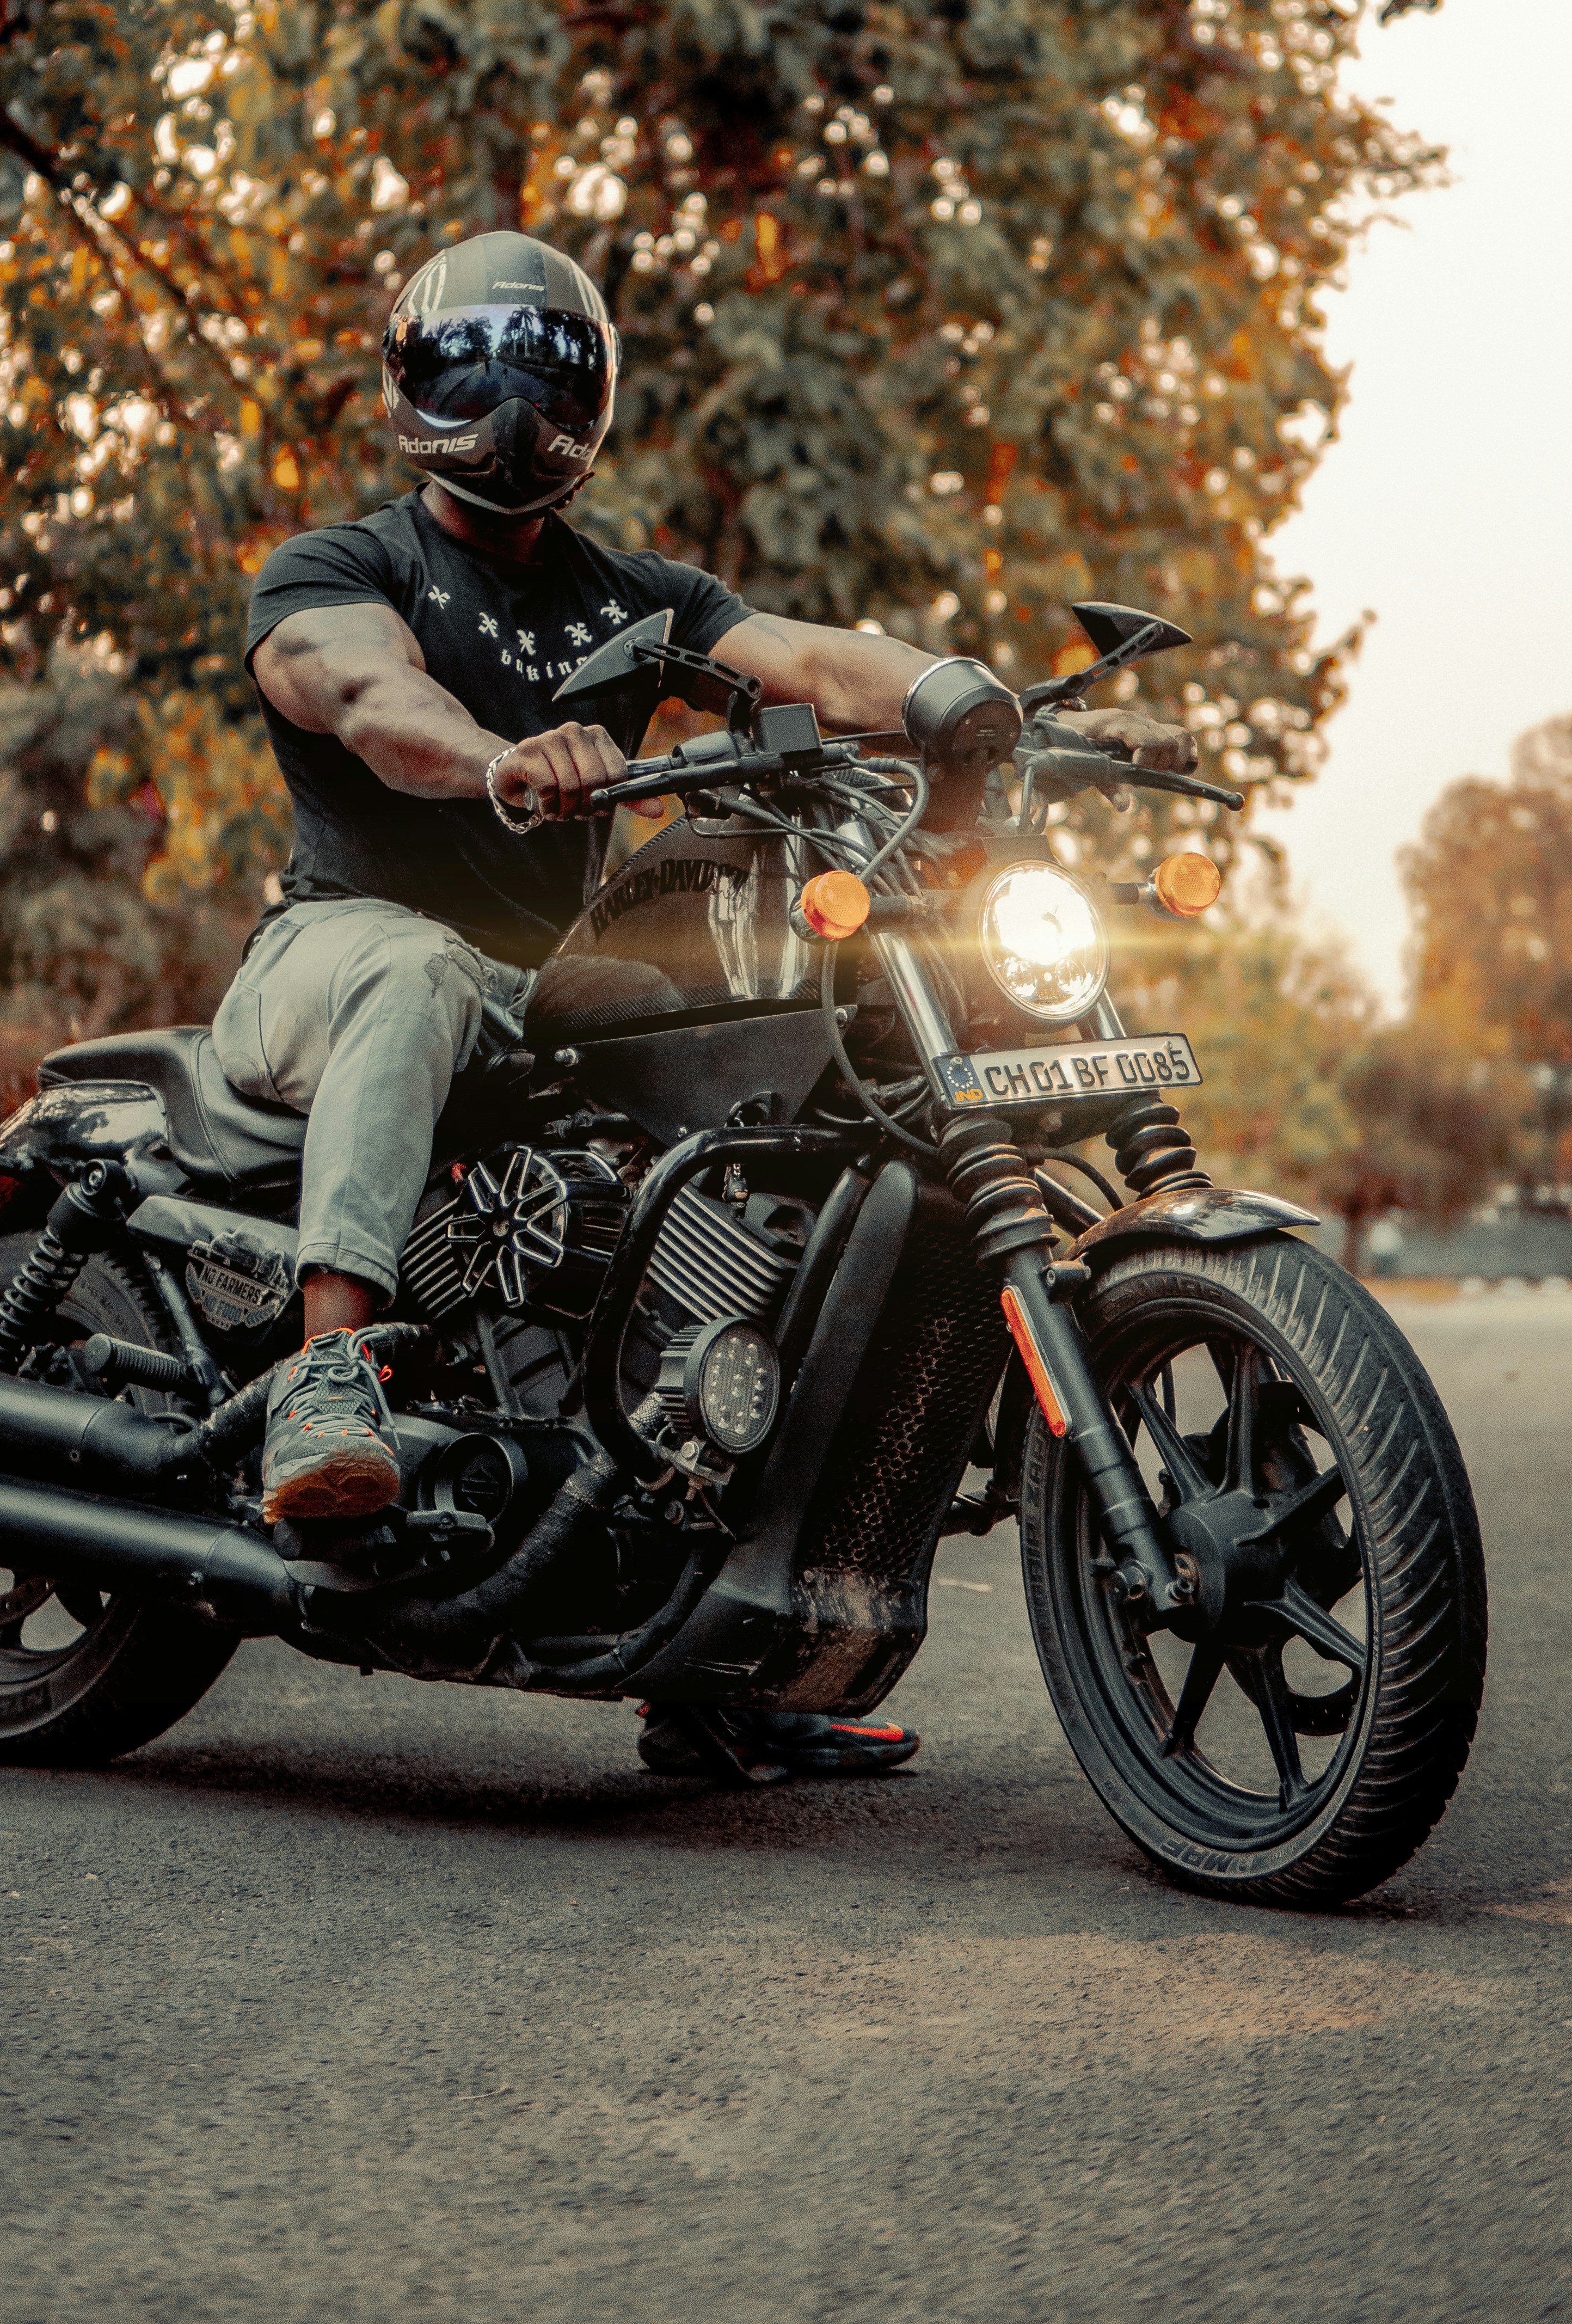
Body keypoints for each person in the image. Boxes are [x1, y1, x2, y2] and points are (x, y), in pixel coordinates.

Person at [214, 229, 1193, 1780]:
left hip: (538, 992)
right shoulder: (343, 567)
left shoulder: (635, 596)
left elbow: (806, 658)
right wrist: (501, 757)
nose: (513, 409)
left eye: (548, 378)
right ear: (412, 387)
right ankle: (325, 1374)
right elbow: (364, 696)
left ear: (592, 402)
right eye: (475, 370)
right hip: (338, 958)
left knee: (768, 1124)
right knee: (416, 961)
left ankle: (717, 1645)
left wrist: (979, 705)